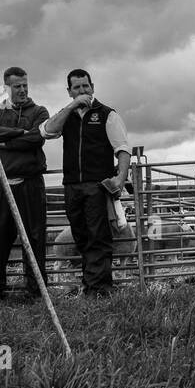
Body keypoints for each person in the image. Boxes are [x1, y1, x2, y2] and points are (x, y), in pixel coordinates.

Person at [41, 69, 131, 299]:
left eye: (86, 86)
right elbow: (47, 131)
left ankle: (100, 289)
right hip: (72, 185)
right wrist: (71, 107)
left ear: (92, 86)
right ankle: (91, 285)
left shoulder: (107, 114)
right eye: (77, 87)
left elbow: (122, 149)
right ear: (69, 91)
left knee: (98, 236)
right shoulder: (66, 115)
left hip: (97, 185)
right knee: (80, 235)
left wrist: (120, 178)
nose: (82, 91)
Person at [0, 68, 49, 301]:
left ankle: (36, 291)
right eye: (17, 86)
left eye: (25, 85)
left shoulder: (40, 111)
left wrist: (3, 142)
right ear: (7, 88)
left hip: (30, 182)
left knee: (35, 237)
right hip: (0, 184)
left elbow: (37, 137)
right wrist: (20, 132)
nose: (23, 89)